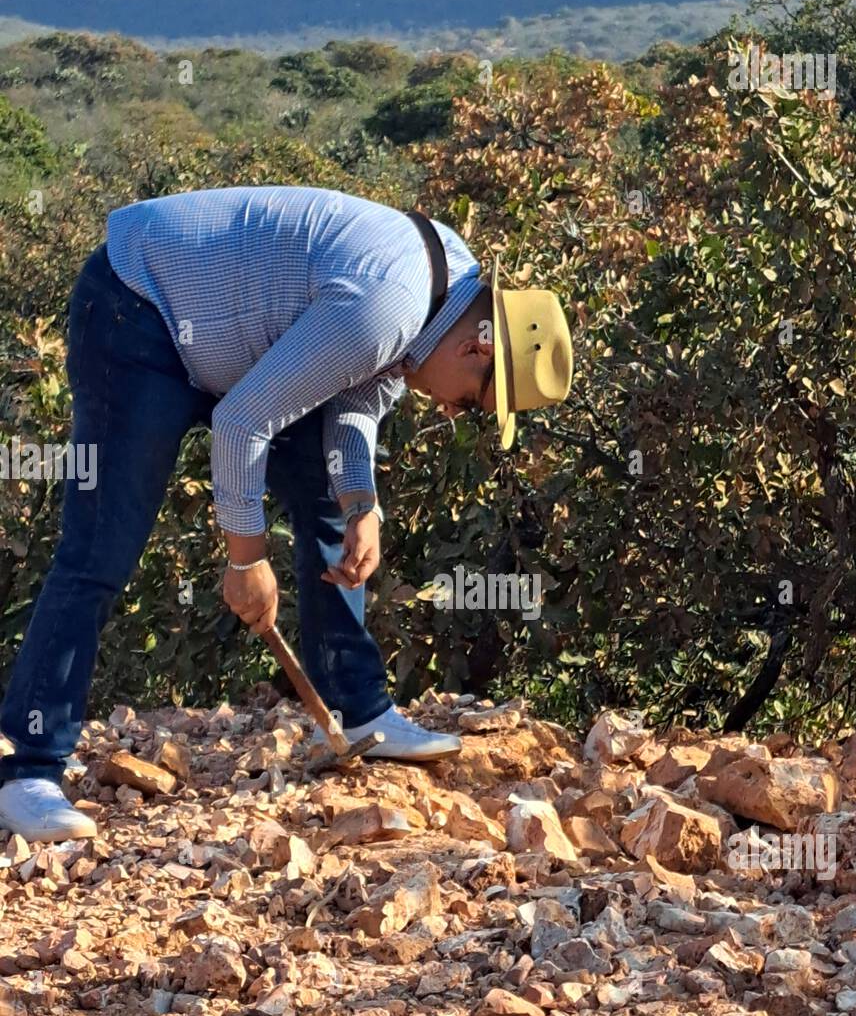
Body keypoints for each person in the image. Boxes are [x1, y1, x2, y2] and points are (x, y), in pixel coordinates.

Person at [0, 185, 574, 842]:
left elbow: (357, 399)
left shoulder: (446, 290)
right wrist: (246, 560)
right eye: (471, 402)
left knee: (331, 502)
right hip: (139, 309)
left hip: (230, 342)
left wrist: (362, 502)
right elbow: (240, 423)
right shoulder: (390, 303)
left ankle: (359, 710)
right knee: (100, 549)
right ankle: (26, 772)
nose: (451, 411)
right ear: (477, 348)